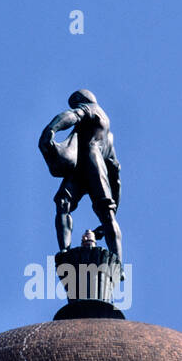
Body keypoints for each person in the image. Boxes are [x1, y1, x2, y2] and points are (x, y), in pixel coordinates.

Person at [38, 89, 122, 261]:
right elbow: (115, 174)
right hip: (82, 167)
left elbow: (72, 115)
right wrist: (115, 208)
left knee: (102, 210)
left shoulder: (93, 110)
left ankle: (117, 261)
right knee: (64, 202)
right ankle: (65, 251)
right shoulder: (109, 136)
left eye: (77, 102)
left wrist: (51, 129)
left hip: (91, 163)